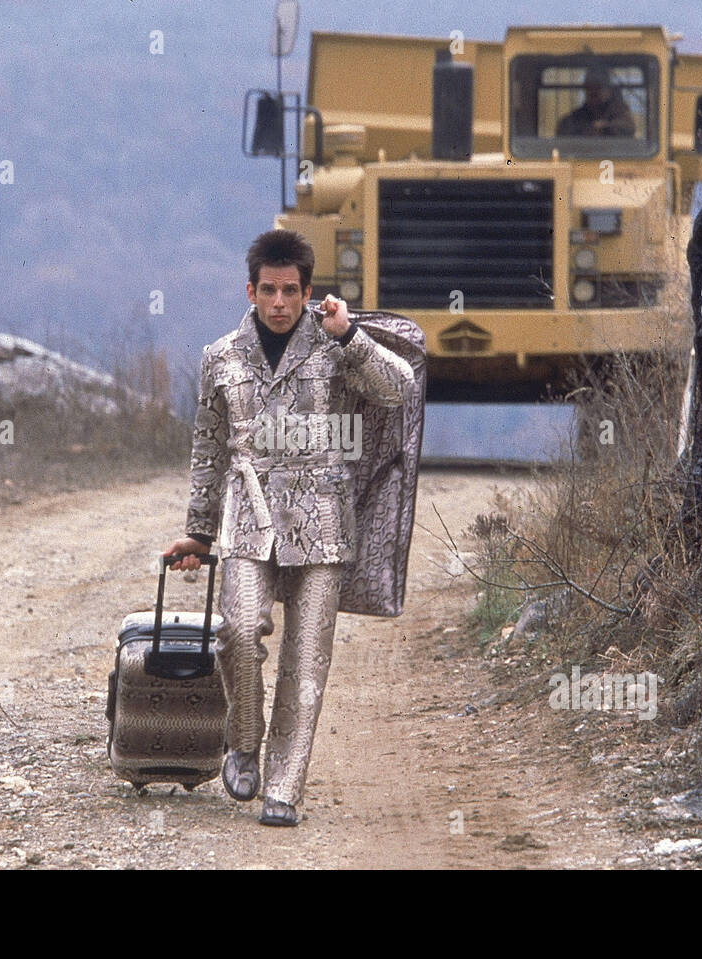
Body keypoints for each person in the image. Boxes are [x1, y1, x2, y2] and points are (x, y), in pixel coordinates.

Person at [162, 229, 415, 826]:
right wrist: (199, 534)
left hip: (322, 522)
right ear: (251, 291)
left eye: (291, 291)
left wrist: (352, 336)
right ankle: (244, 741)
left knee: (307, 661)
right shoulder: (220, 356)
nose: (279, 302)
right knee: (240, 629)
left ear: (307, 293)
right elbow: (209, 449)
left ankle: (283, 788)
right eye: (269, 290)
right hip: (247, 518)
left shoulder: (334, 348)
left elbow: (398, 391)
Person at [556, 65, 635, 137]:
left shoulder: (619, 113)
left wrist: (604, 127)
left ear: (609, 90)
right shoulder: (574, 118)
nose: (594, 91)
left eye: (599, 87)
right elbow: (563, 132)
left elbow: (628, 128)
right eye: (590, 87)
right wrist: (586, 131)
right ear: (585, 89)